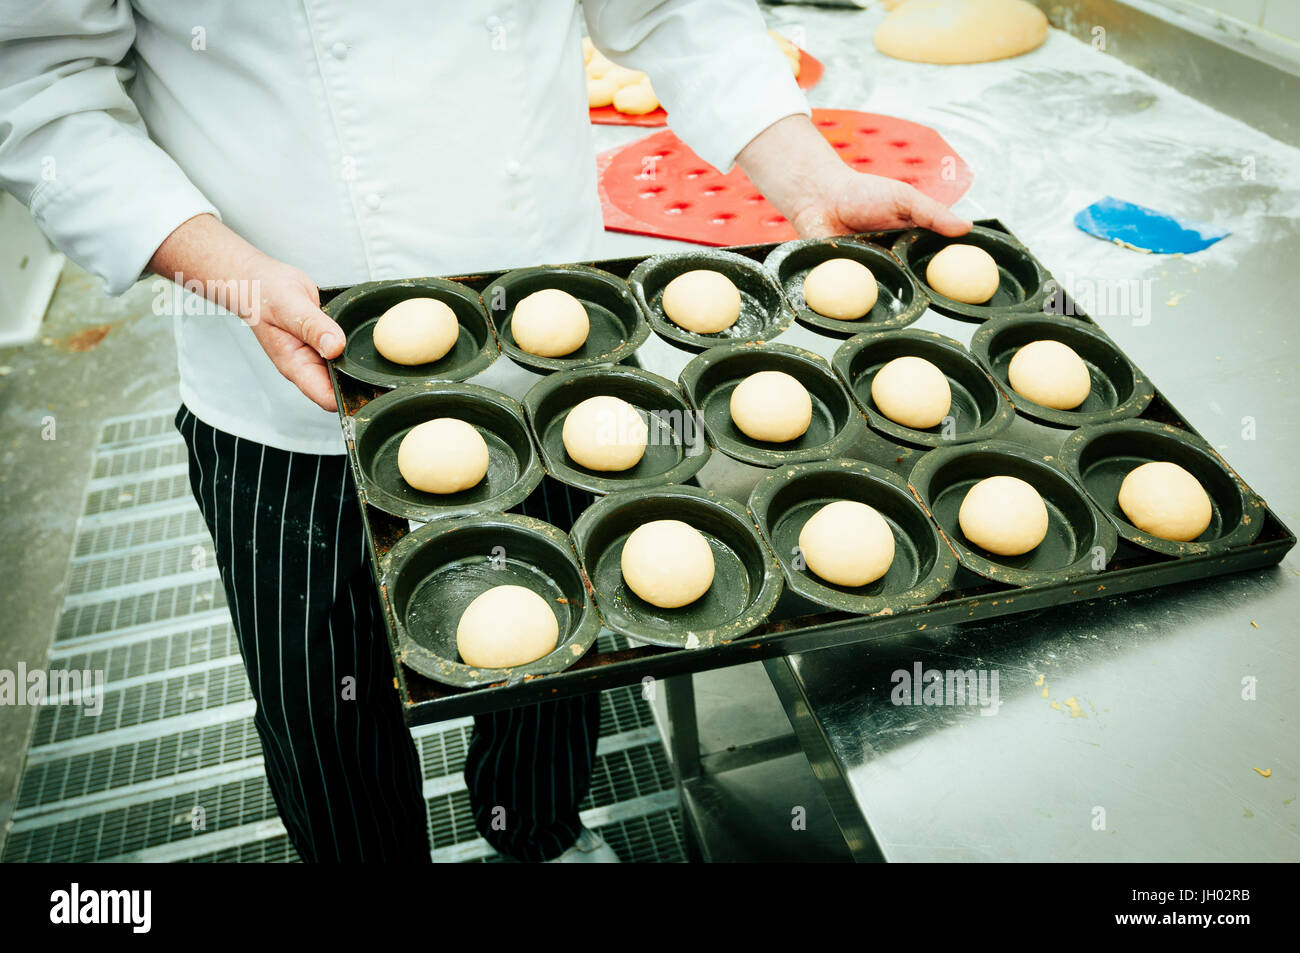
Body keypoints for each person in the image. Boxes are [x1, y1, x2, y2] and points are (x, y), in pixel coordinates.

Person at [0, 1, 969, 863]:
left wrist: (806, 176)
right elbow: (40, 82)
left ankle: (535, 833)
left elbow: (674, 9)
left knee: (561, 642)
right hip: (283, 359)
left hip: (548, 347)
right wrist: (220, 265)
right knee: (321, 691)